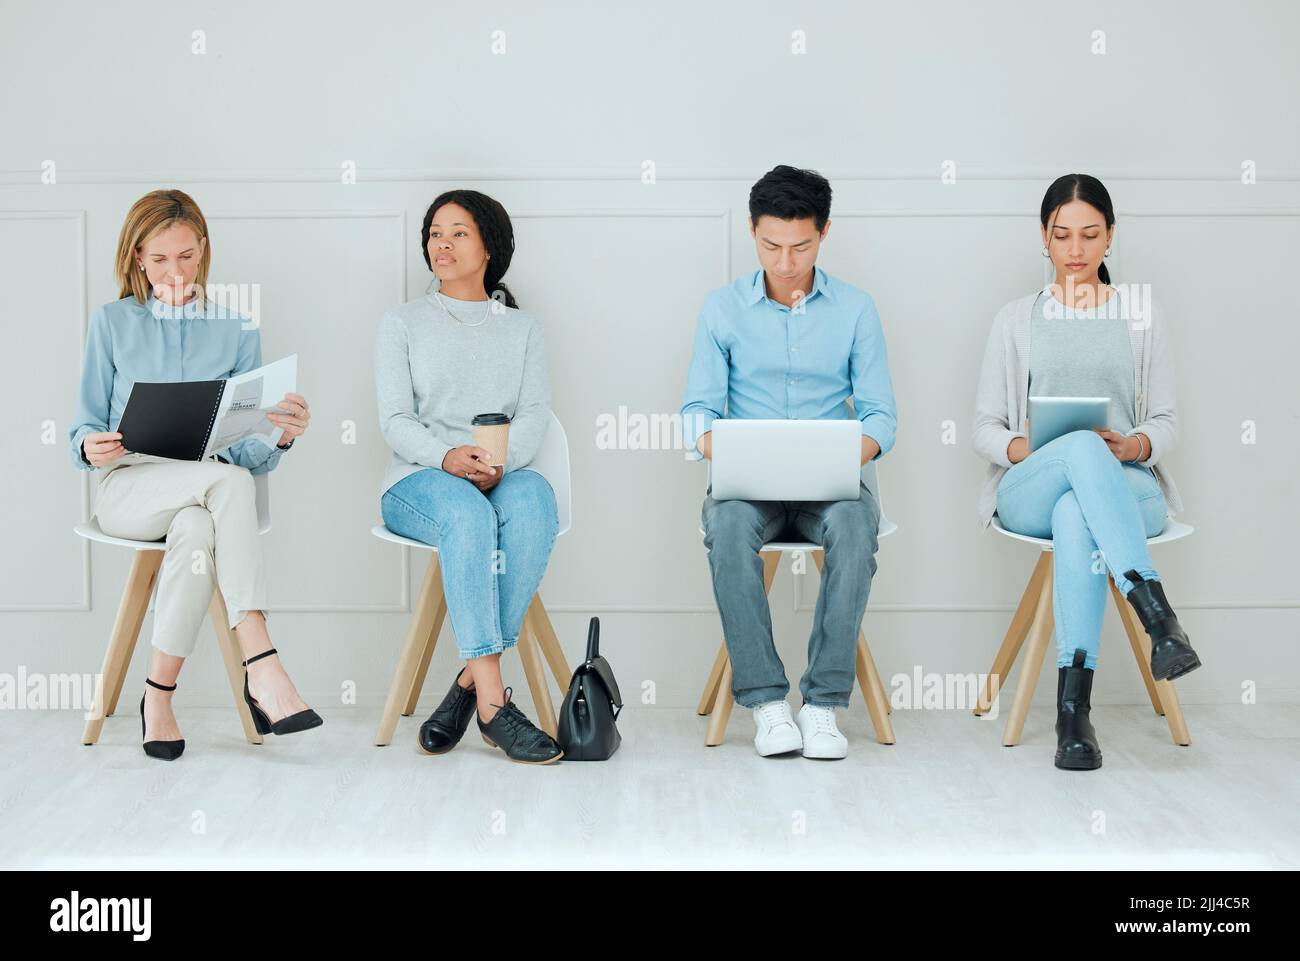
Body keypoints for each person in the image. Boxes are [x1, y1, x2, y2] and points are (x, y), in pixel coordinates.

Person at [70, 189, 321, 760]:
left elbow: (246, 450)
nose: (174, 271)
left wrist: (279, 434)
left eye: (186, 256)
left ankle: (157, 698)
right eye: (159, 260)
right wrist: (91, 445)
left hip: (204, 494)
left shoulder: (236, 329)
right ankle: (260, 660)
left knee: (195, 529)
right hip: (129, 488)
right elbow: (81, 427)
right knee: (224, 488)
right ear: (137, 257)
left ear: (203, 250)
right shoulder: (111, 323)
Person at [971, 173, 1202, 771]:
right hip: (1032, 487)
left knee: (1080, 509)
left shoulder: (1140, 317)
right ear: (1043, 240)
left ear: (1110, 238)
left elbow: (1168, 422)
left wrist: (1131, 446)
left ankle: (1074, 714)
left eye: (1089, 235)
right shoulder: (1016, 320)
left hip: (1127, 487)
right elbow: (985, 429)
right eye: (1061, 235)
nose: (1075, 250)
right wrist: (1041, 450)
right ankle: (1157, 614)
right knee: (1076, 457)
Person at [680, 165, 898, 760]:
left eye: (800, 246)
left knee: (856, 526)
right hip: (748, 488)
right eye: (771, 245)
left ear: (824, 232)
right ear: (752, 232)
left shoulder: (855, 309)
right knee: (724, 527)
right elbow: (696, 412)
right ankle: (768, 703)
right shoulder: (722, 309)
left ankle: (823, 706)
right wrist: (721, 447)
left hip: (831, 485)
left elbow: (882, 417)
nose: (785, 262)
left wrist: (839, 452)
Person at [375, 189, 563, 765]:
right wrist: (447, 457)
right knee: (468, 514)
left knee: (534, 503)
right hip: (419, 478)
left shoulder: (523, 329)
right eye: (435, 233)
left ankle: (466, 685)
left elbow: (534, 413)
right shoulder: (402, 323)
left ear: (489, 247)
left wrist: (501, 463)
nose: (442, 244)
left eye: (458, 233)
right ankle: (493, 705)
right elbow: (395, 421)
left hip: (502, 469)